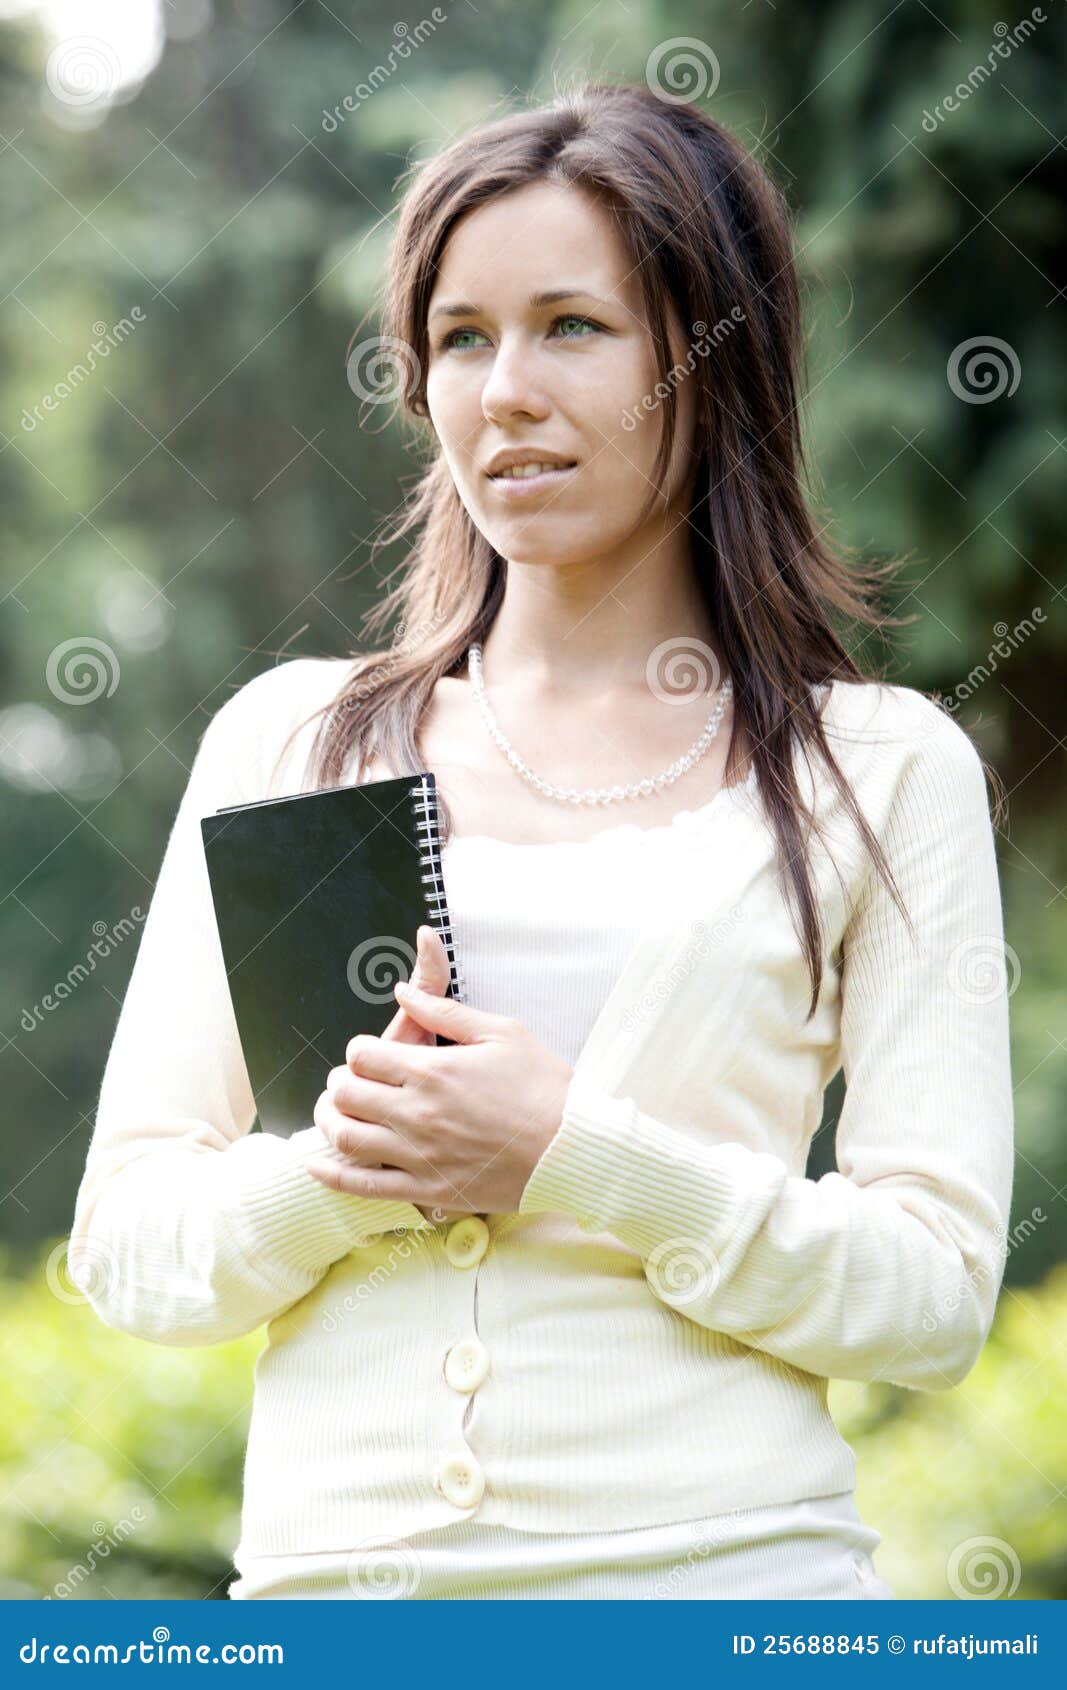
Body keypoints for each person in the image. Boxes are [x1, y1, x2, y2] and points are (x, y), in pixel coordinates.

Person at [69, 82, 1014, 1601]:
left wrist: (570, 1151)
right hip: (341, 1611)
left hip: (727, 1601)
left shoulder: (877, 771)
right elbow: (128, 1249)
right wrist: (348, 1171)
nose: (505, 389)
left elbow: (933, 1298)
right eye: (460, 336)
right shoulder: (294, 742)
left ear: (715, 357)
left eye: (574, 325)